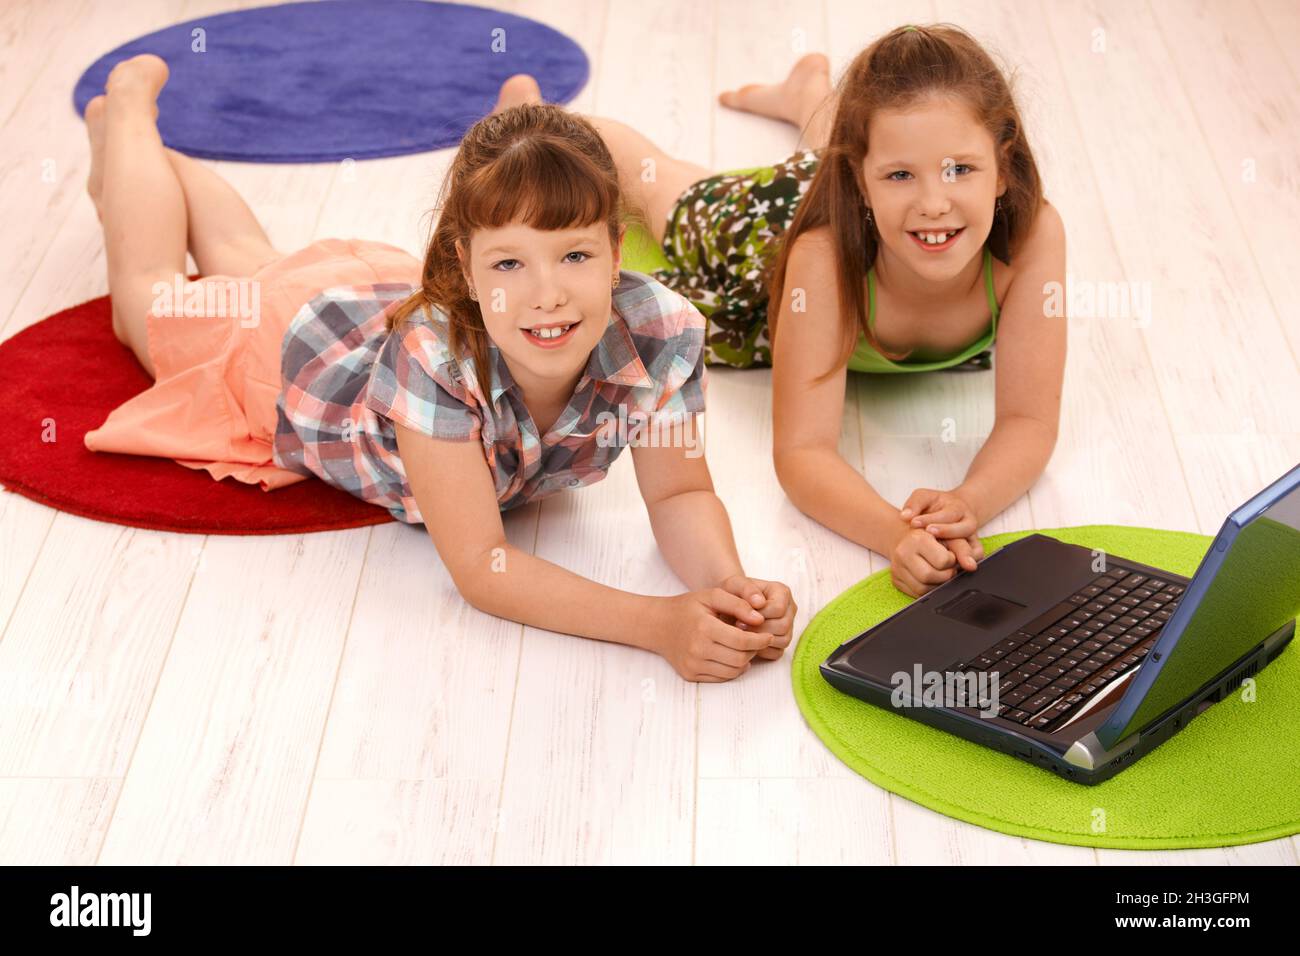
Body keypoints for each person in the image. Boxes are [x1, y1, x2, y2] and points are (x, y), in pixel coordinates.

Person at [80, 54, 795, 682]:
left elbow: (679, 497)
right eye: (510, 262)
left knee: (247, 255)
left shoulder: (662, 332)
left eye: (575, 255)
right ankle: (130, 116)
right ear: (468, 266)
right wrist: (659, 624)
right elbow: (483, 564)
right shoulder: (437, 357)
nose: (547, 293)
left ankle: (130, 150)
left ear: (617, 248)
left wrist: (728, 587)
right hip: (292, 354)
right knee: (150, 297)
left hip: (375, 303)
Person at [525, 23, 1067, 598]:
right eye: (900, 175)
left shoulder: (1032, 236)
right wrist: (893, 534)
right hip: (767, 232)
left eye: (961, 168)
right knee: (664, 189)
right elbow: (803, 452)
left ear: (1003, 168)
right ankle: (536, 124)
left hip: (850, 187)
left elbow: (1029, 422)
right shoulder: (820, 255)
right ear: (862, 182)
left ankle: (808, 92)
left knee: (860, 146)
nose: (934, 203)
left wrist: (967, 502)